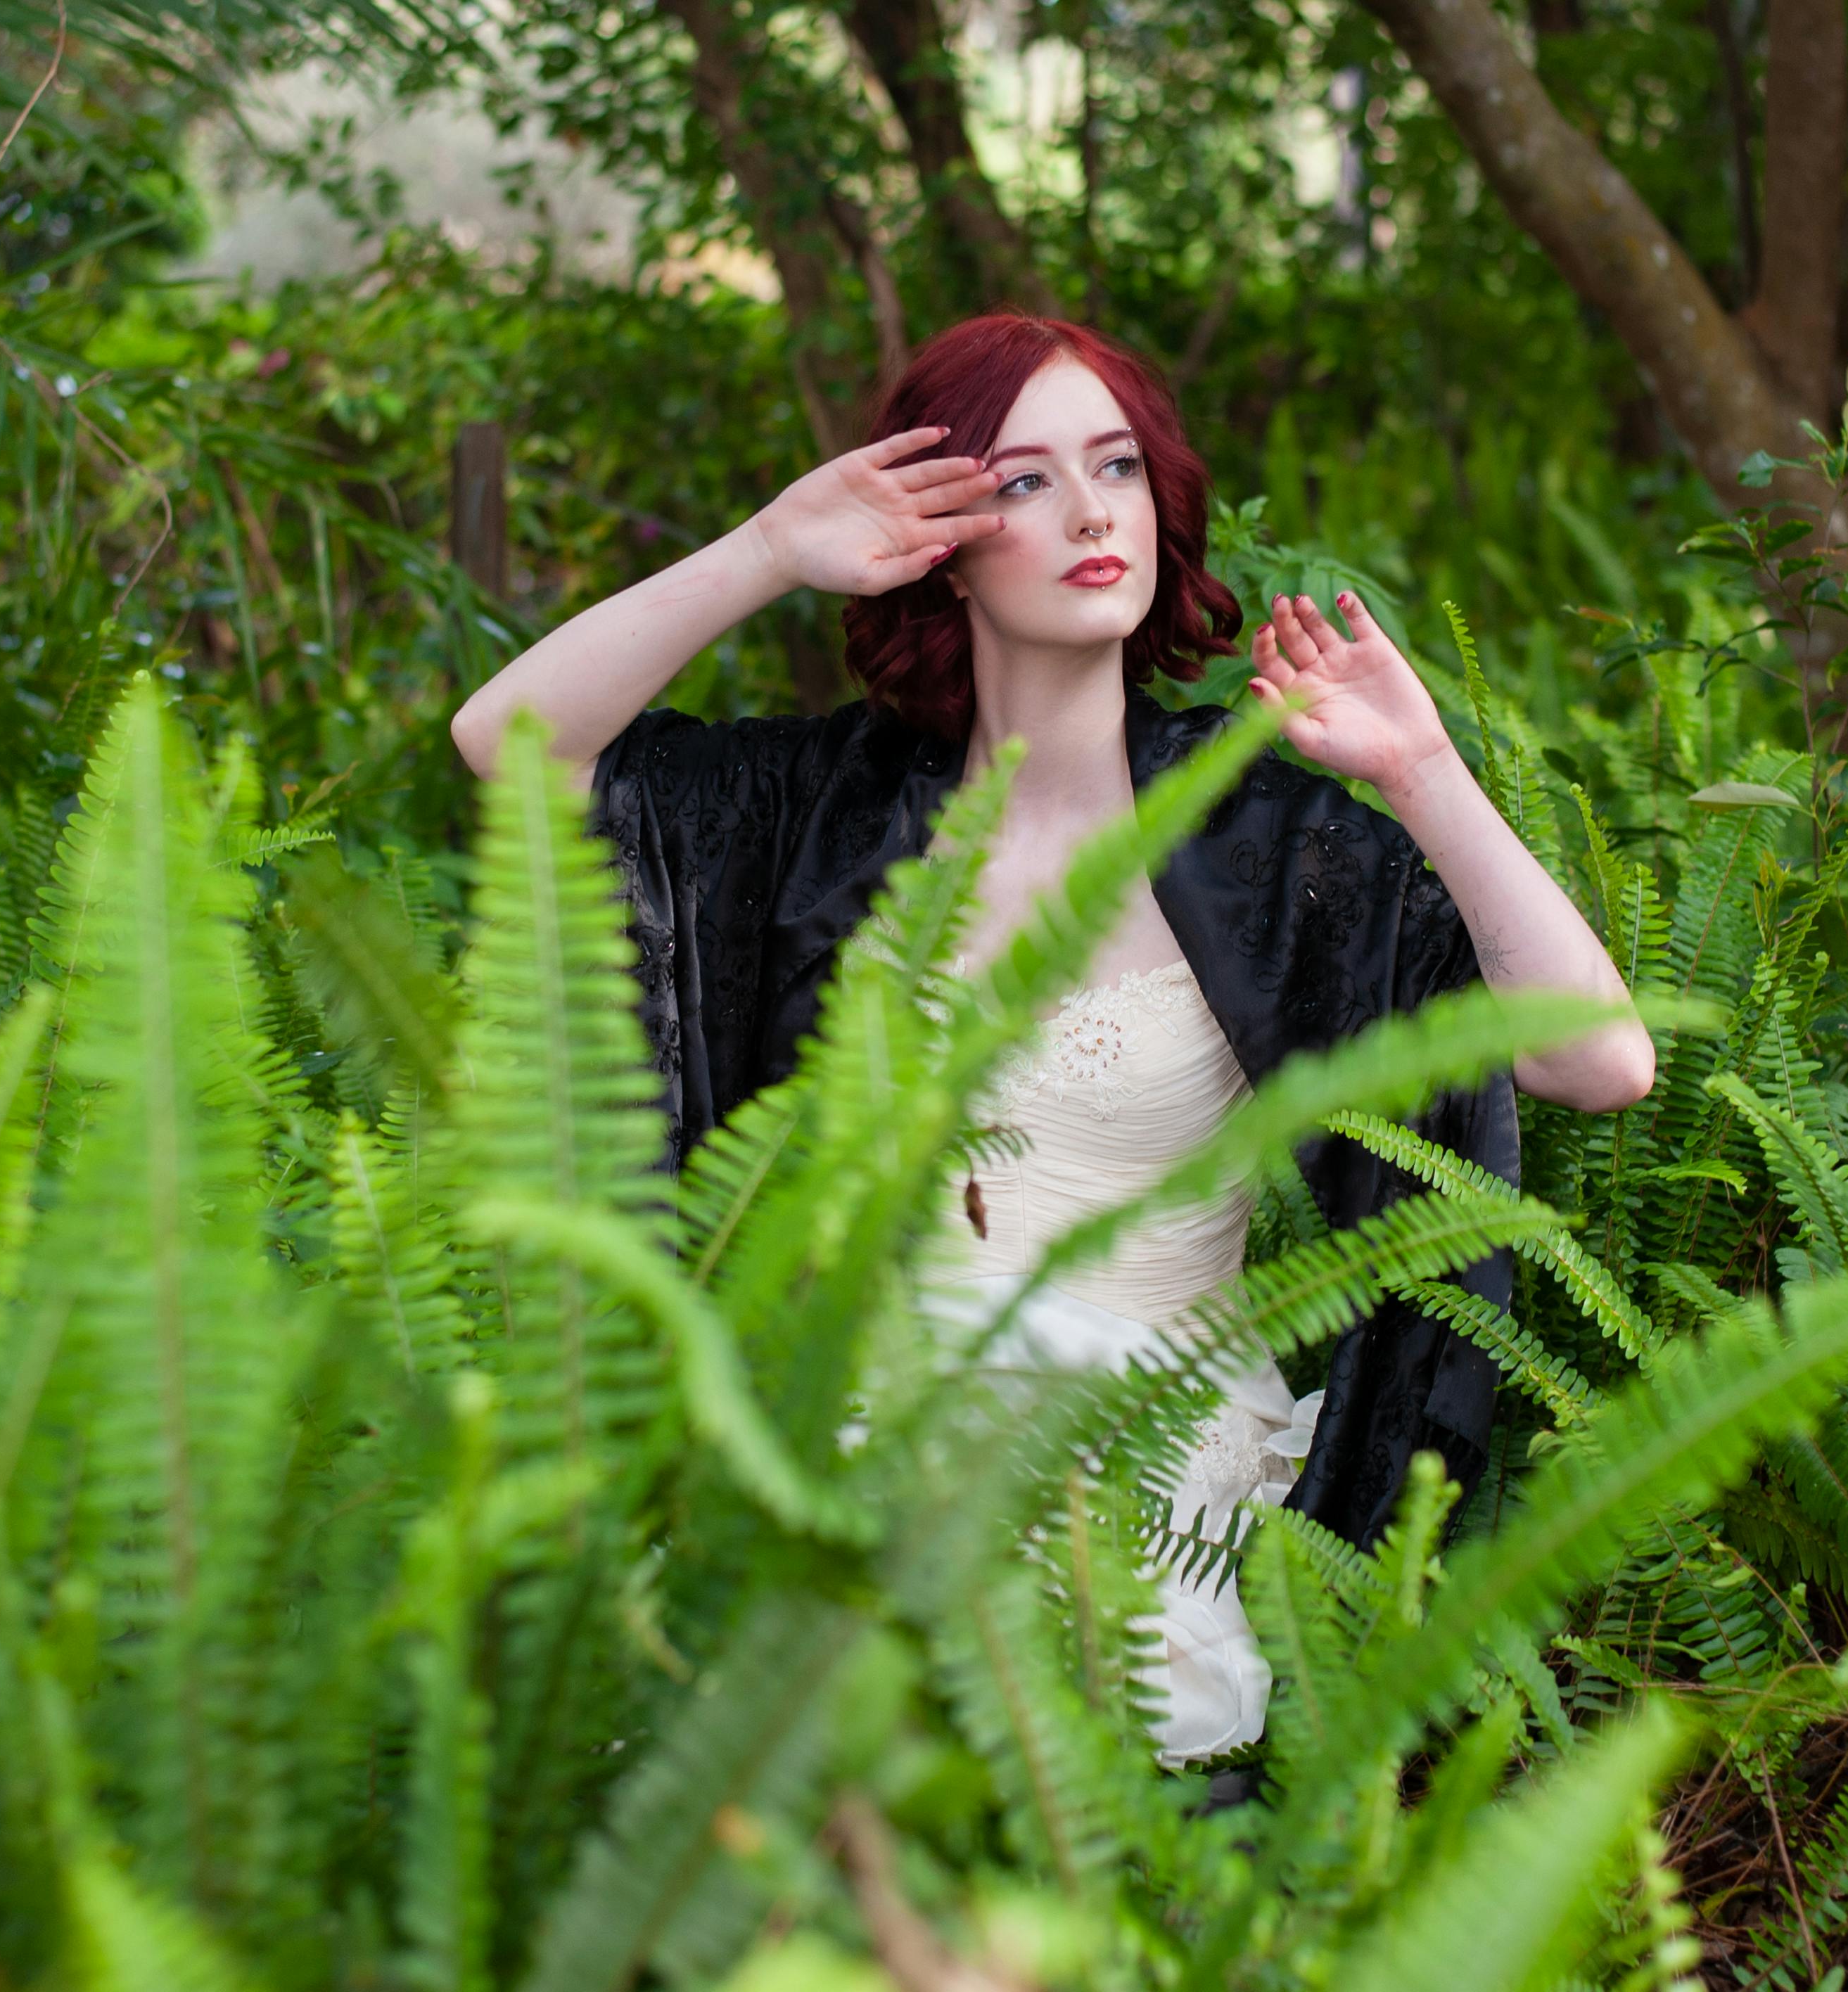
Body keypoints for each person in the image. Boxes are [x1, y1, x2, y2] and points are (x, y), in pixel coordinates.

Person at [450, 314, 1651, 1763]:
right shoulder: (816, 811)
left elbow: (1597, 1060)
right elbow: (511, 740)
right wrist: (766, 546)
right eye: (1022, 482)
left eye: (1118, 468)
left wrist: (1421, 768)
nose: (1091, 513)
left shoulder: (1260, 839)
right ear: (933, 538)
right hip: (853, 1428)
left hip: (1138, 1464)